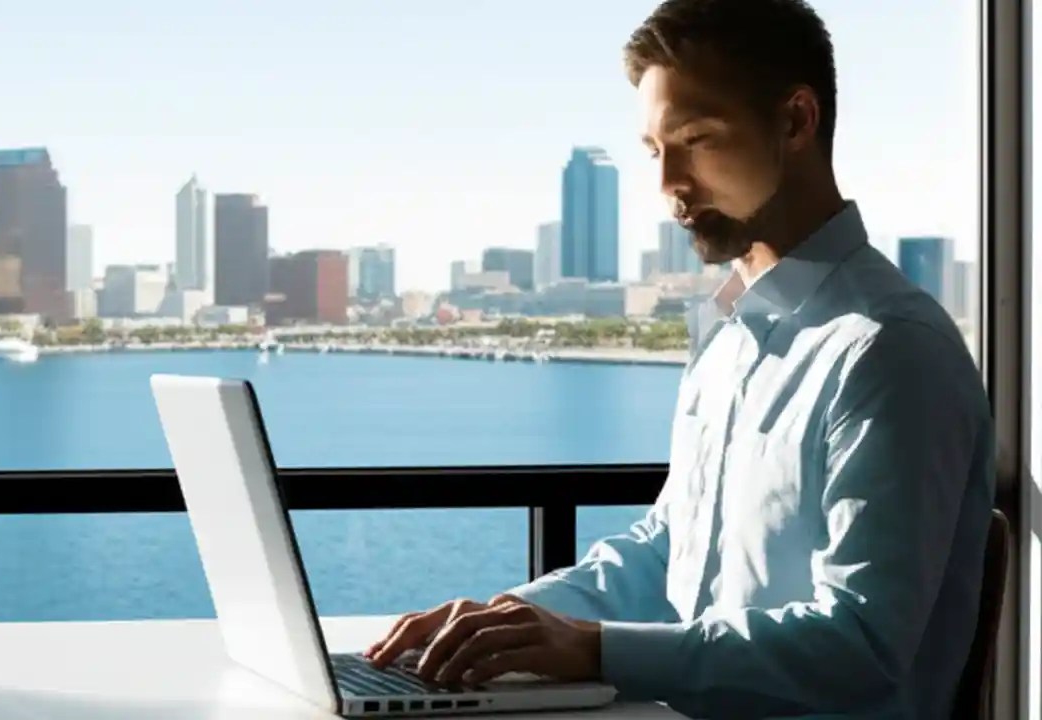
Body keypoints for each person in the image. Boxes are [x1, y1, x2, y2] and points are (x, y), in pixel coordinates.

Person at [366, 0, 996, 717]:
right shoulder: (730, 338)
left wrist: (593, 649)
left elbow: (863, 645)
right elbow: (670, 547)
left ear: (795, 120)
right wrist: (504, 621)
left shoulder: (888, 351)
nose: (668, 184)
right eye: (654, 149)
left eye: (696, 139)